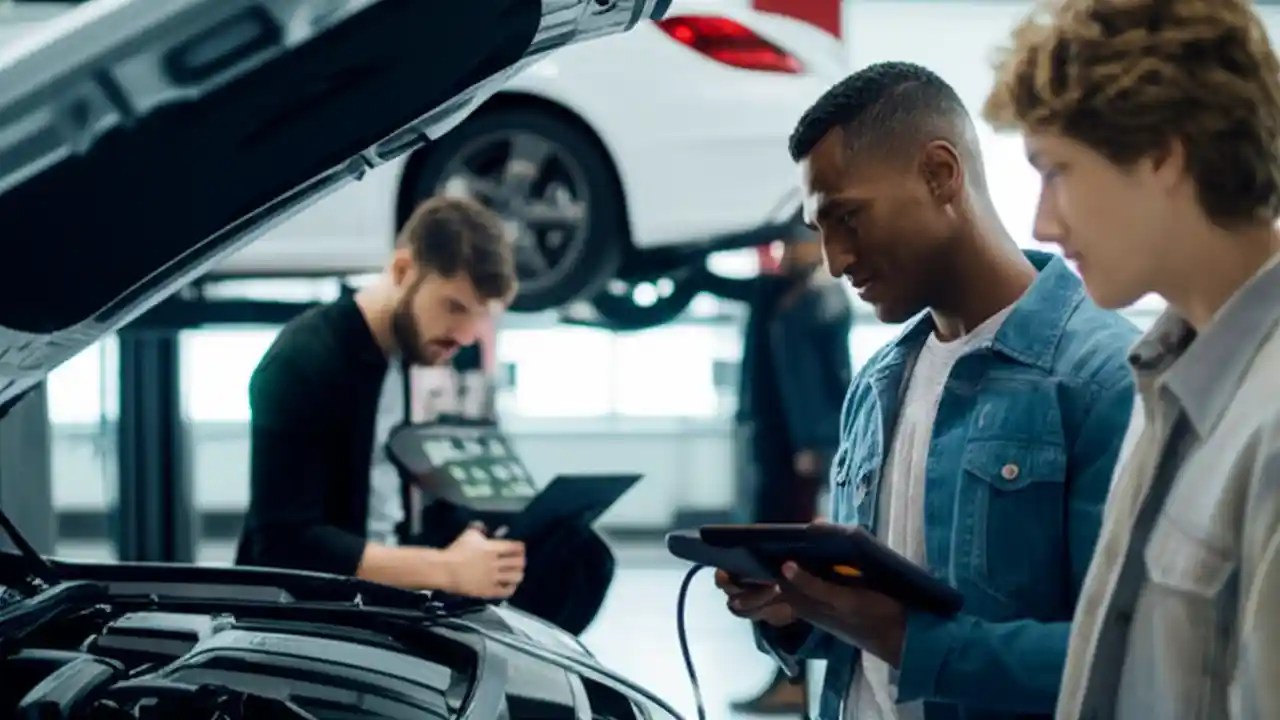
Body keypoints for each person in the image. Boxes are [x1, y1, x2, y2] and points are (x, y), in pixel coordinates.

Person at [715, 62, 1140, 720]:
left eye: (848, 218)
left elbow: (1125, 663)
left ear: (940, 175)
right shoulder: (878, 383)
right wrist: (798, 611)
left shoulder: (1101, 378)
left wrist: (903, 637)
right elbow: (873, 624)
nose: (835, 258)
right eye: (820, 230)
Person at [983, 1, 1280, 718]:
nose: (1041, 224)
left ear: (1160, 154)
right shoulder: (1171, 376)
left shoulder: (1269, 425)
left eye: (1056, 170)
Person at [235, 195, 527, 600]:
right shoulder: (302, 360)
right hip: (318, 611)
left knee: (578, 557)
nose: (464, 335)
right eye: (454, 307)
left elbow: (445, 492)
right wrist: (447, 569)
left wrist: (479, 536)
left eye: (479, 317)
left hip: (408, 594)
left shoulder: (434, 351)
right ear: (403, 270)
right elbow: (287, 543)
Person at [704, 235, 854, 714]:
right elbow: (717, 283)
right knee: (762, 559)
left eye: (800, 241)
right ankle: (784, 667)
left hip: (798, 451)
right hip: (770, 447)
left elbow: (832, 374)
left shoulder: (823, 299)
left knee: (789, 563)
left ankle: (793, 675)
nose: (788, 250)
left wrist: (816, 440)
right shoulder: (777, 292)